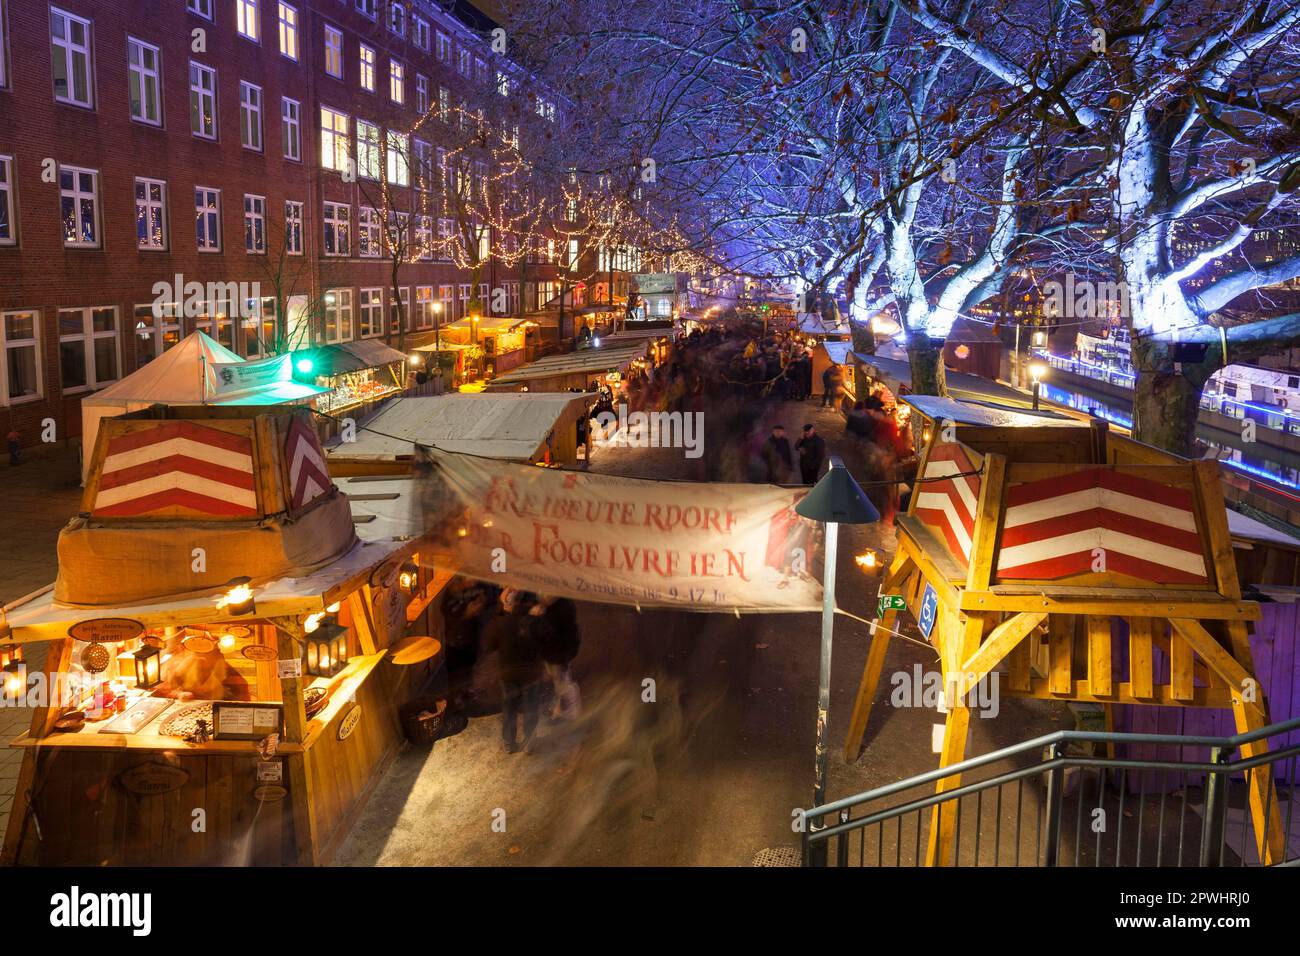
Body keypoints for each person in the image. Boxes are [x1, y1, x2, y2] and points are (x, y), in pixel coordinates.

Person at [483, 588, 543, 753]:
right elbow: (545, 641)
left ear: (510, 604)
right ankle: (529, 742)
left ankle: (509, 742)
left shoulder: (500, 623)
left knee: (509, 708)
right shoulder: (535, 621)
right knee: (531, 707)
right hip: (531, 673)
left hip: (508, 673)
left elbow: (489, 645)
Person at [529, 594, 581, 721]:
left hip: (558, 653)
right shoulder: (556, 605)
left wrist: (539, 617)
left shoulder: (561, 607)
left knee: (562, 683)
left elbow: (552, 633)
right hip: (554, 652)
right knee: (558, 681)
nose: (542, 596)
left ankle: (569, 714)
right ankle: (561, 710)